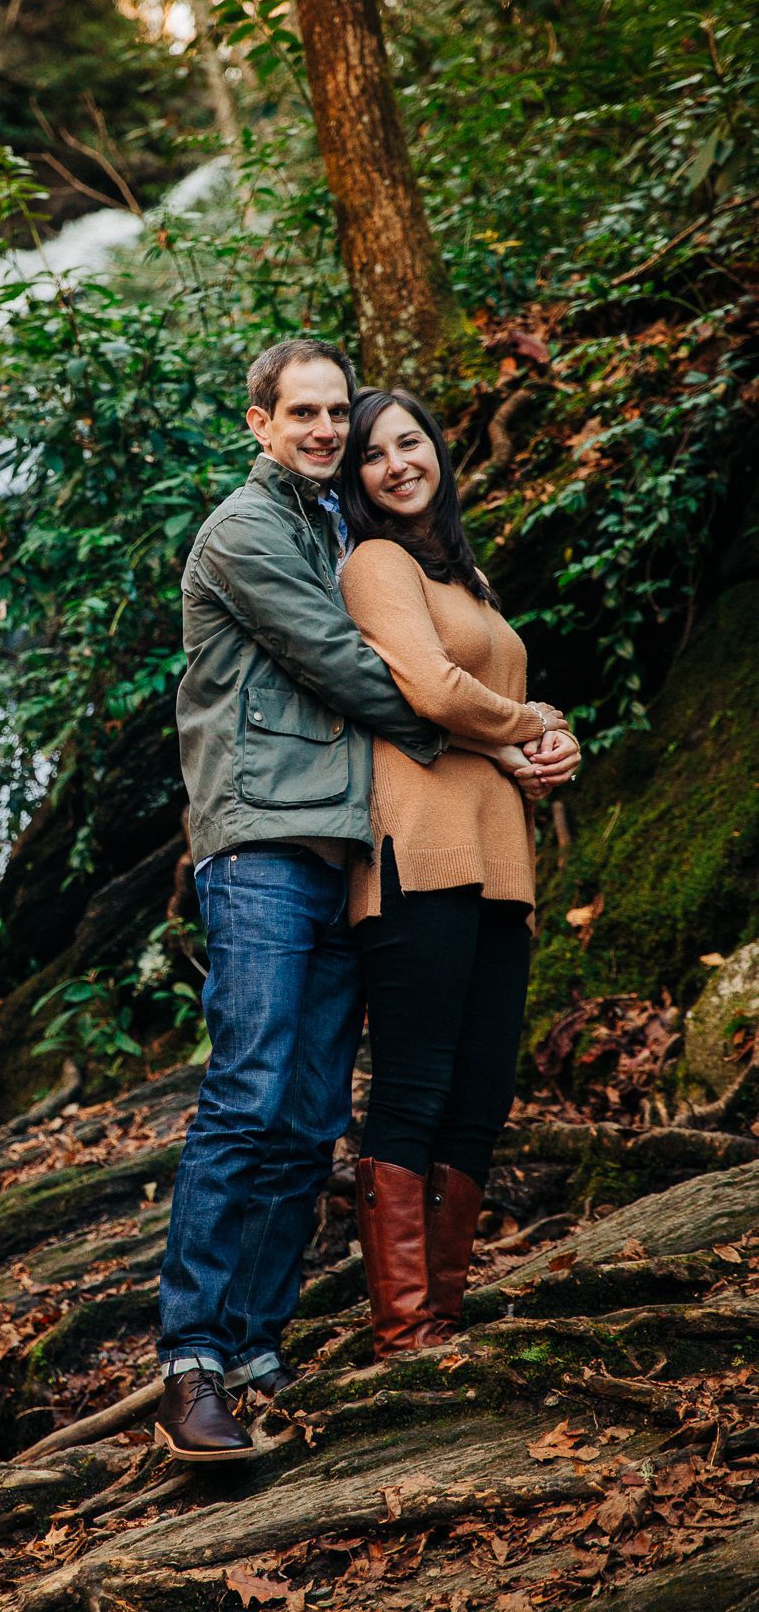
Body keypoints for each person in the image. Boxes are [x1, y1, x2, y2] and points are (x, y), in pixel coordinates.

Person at [154, 337, 471, 1463]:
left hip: (341, 851)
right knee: (248, 1093)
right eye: (303, 413)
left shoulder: (336, 523)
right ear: (259, 422)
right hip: (259, 846)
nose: (327, 429)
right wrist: (482, 734)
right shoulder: (245, 531)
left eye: (337, 410)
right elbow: (339, 659)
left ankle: (253, 1345)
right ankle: (190, 1360)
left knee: (307, 1114)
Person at [337, 385, 580, 1359]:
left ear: (437, 450)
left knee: (480, 1090)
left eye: (410, 443)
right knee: (414, 1083)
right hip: (418, 845)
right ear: (354, 478)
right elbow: (433, 689)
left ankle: (443, 1314)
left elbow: (492, 697)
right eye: (372, 453)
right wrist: (534, 726)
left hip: (498, 856)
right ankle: (403, 1330)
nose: (397, 463)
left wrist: (550, 735)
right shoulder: (376, 563)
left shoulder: (464, 573)